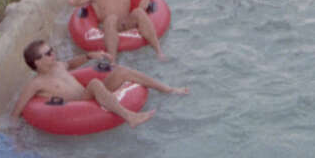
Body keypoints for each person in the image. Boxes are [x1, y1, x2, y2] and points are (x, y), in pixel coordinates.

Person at [11, 40, 189, 128]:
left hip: (89, 95)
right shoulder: (36, 83)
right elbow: (17, 111)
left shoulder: (58, 66)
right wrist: (16, 139)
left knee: (122, 71)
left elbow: (71, 64)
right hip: (79, 105)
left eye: (51, 50)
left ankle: (168, 89)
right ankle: (130, 117)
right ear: (37, 62)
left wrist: (89, 56)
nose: (53, 53)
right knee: (96, 82)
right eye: (48, 53)